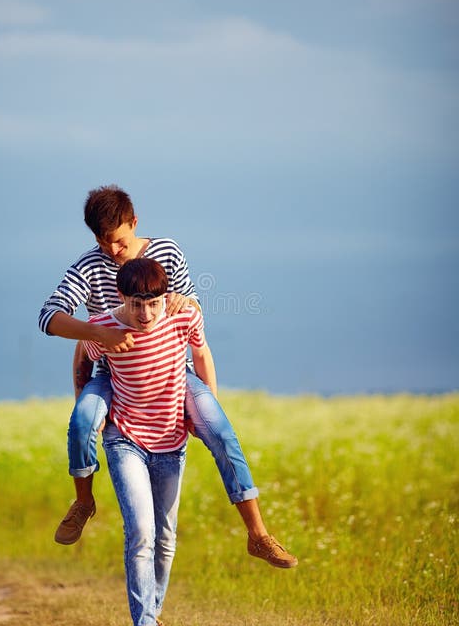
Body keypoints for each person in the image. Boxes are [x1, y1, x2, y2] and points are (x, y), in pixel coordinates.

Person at [39, 185, 296, 567]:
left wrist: (185, 301)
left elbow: (191, 306)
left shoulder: (167, 252)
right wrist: (99, 333)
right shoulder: (87, 267)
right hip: (113, 373)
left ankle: (258, 534)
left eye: (120, 241)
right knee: (80, 422)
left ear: (134, 223)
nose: (112, 251)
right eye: (102, 242)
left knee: (221, 431)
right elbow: (49, 316)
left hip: (173, 369)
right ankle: (83, 500)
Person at [84, 258, 295, 626]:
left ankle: (156, 613)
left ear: (165, 297)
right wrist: (92, 409)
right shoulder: (106, 328)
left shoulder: (183, 317)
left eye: (152, 304)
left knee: (165, 538)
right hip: (124, 440)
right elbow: (84, 361)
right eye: (135, 305)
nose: (144, 314)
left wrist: (204, 408)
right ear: (122, 299)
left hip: (171, 441)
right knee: (141, 532)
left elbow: (201, 356)